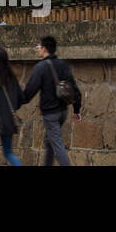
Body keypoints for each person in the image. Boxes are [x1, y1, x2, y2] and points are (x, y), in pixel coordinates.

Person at [19, 35, 83, 166]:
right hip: (63, 111)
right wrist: (77, 110)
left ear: (44, 49)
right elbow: (75, 89)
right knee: (50, 142)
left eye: (38, 47)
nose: (37, 49)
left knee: (57, 145)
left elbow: (29, 92)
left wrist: (16, 102)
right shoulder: (63, 65)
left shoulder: (41, 67)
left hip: (51, 113)